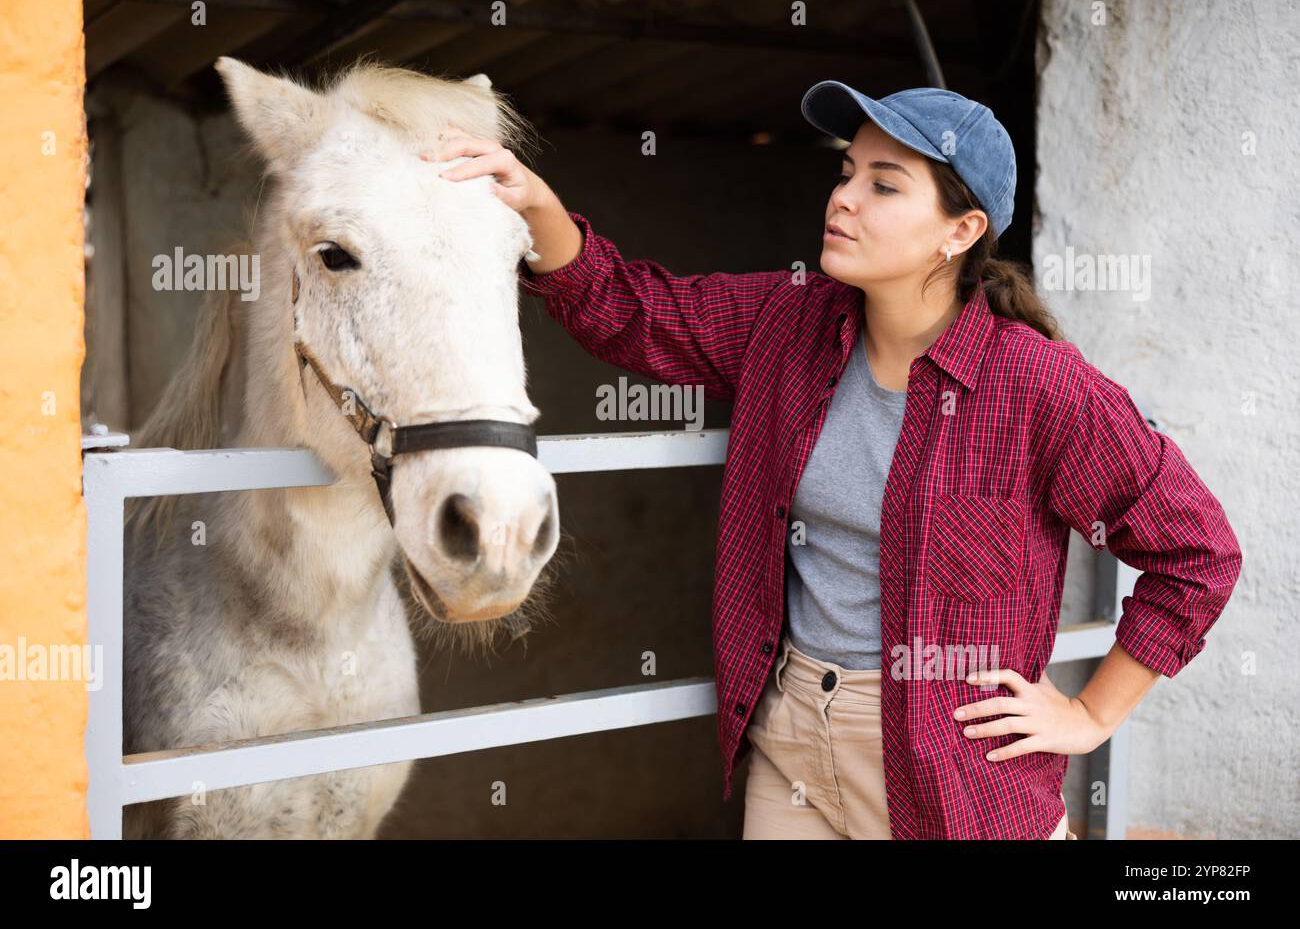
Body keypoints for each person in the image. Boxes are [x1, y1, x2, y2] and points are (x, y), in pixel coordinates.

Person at [434, 82, 1243, 839]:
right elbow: (631, 312)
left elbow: (1198, 553)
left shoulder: (1036, 384)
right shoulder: (790, 324)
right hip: (792, 741)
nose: (844, 198)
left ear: (960, 233)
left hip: (951, 768)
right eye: (847, 172)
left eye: (884, 185)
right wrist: (533, 203)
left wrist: (1093, 714)